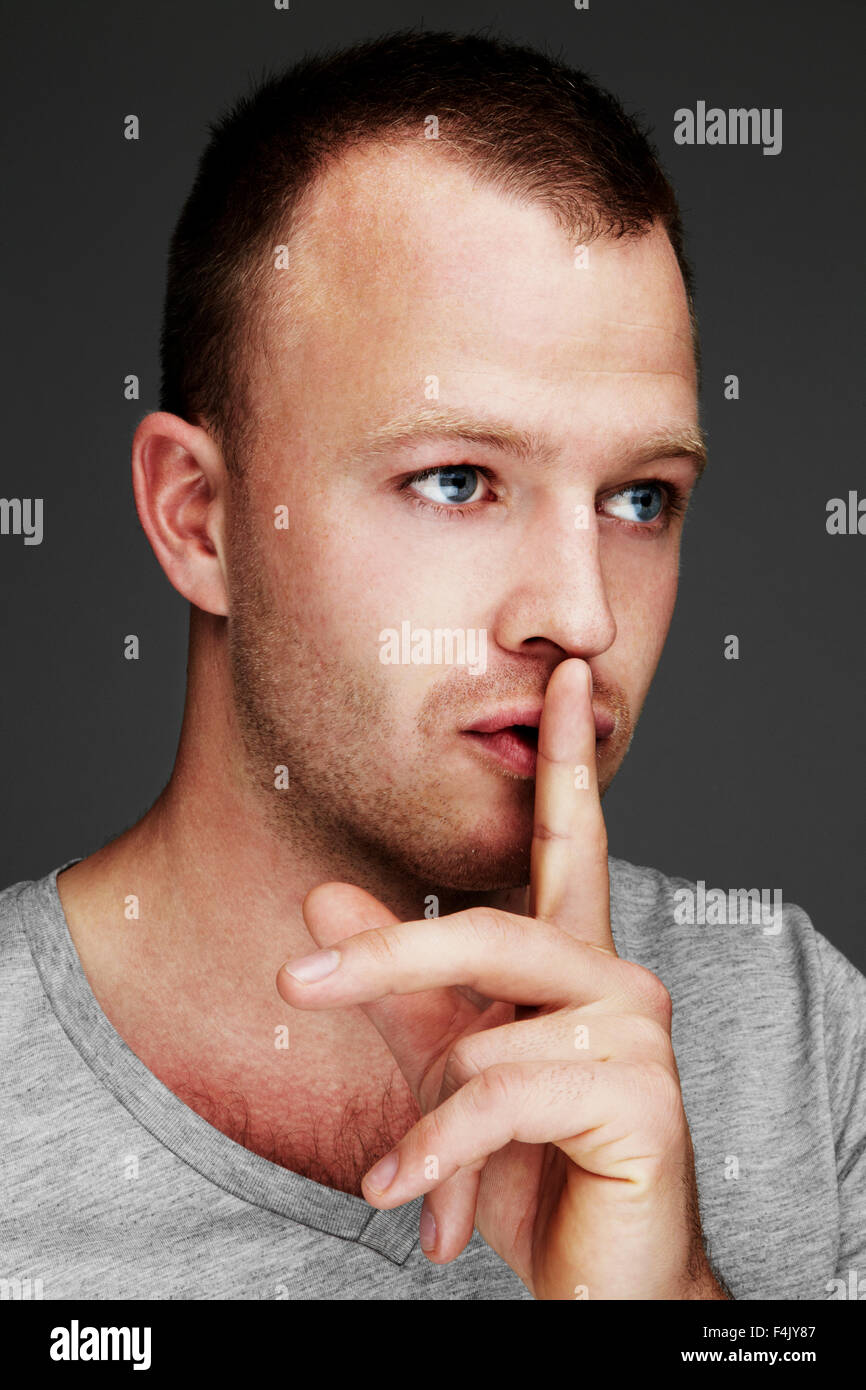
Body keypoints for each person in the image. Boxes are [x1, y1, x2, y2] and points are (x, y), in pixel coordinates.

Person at [2, 29, 863, 1302]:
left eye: (637, 498)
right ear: (197, 517)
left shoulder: (797, 1034)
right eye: (455, 481)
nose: (579, 617)